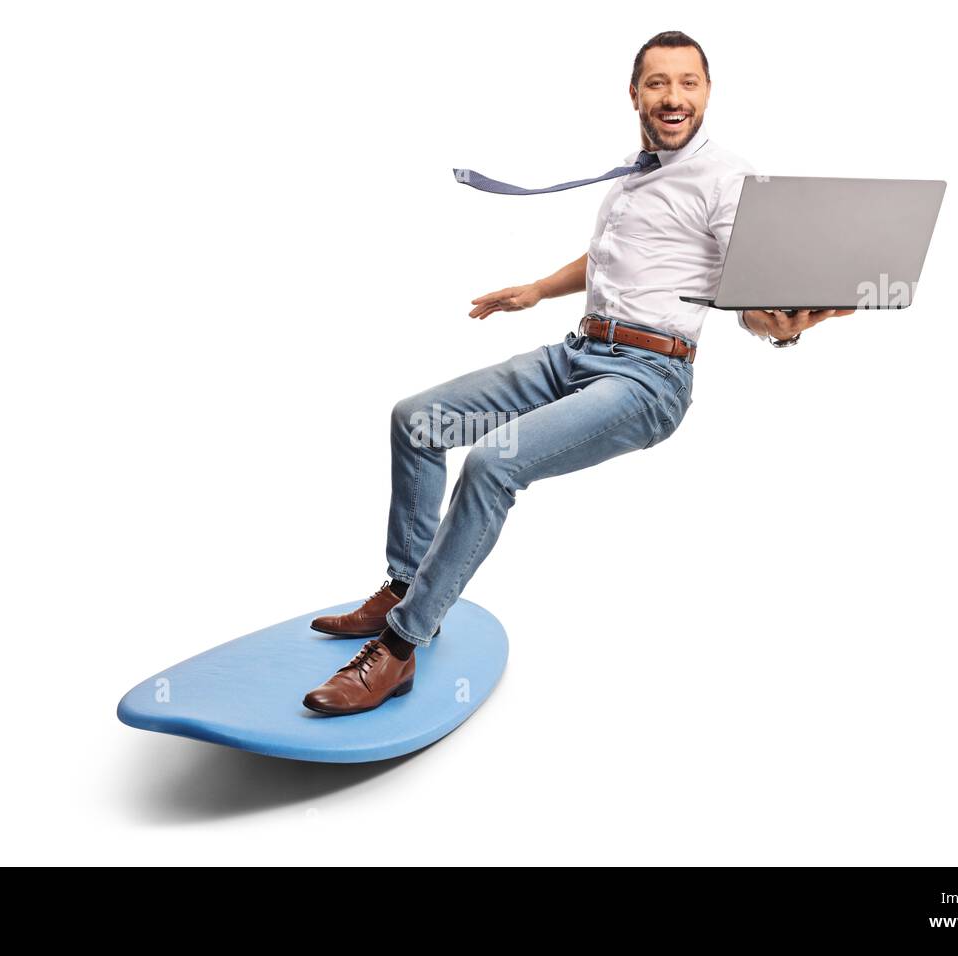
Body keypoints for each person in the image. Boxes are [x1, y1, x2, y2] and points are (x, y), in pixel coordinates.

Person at [301, 30, 853, 716]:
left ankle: (399, 646)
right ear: (634, 94)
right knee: (419, 421)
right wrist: (535, 289)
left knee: (493, 463)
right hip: (578, 354)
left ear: (707, 93)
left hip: (648, 381)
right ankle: (408, 585)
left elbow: (754, 289)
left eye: (688, 82)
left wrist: (781, 326)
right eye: (657, 82)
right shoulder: (636, 170)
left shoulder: (728, 179)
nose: (672, 96)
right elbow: (613, 259)